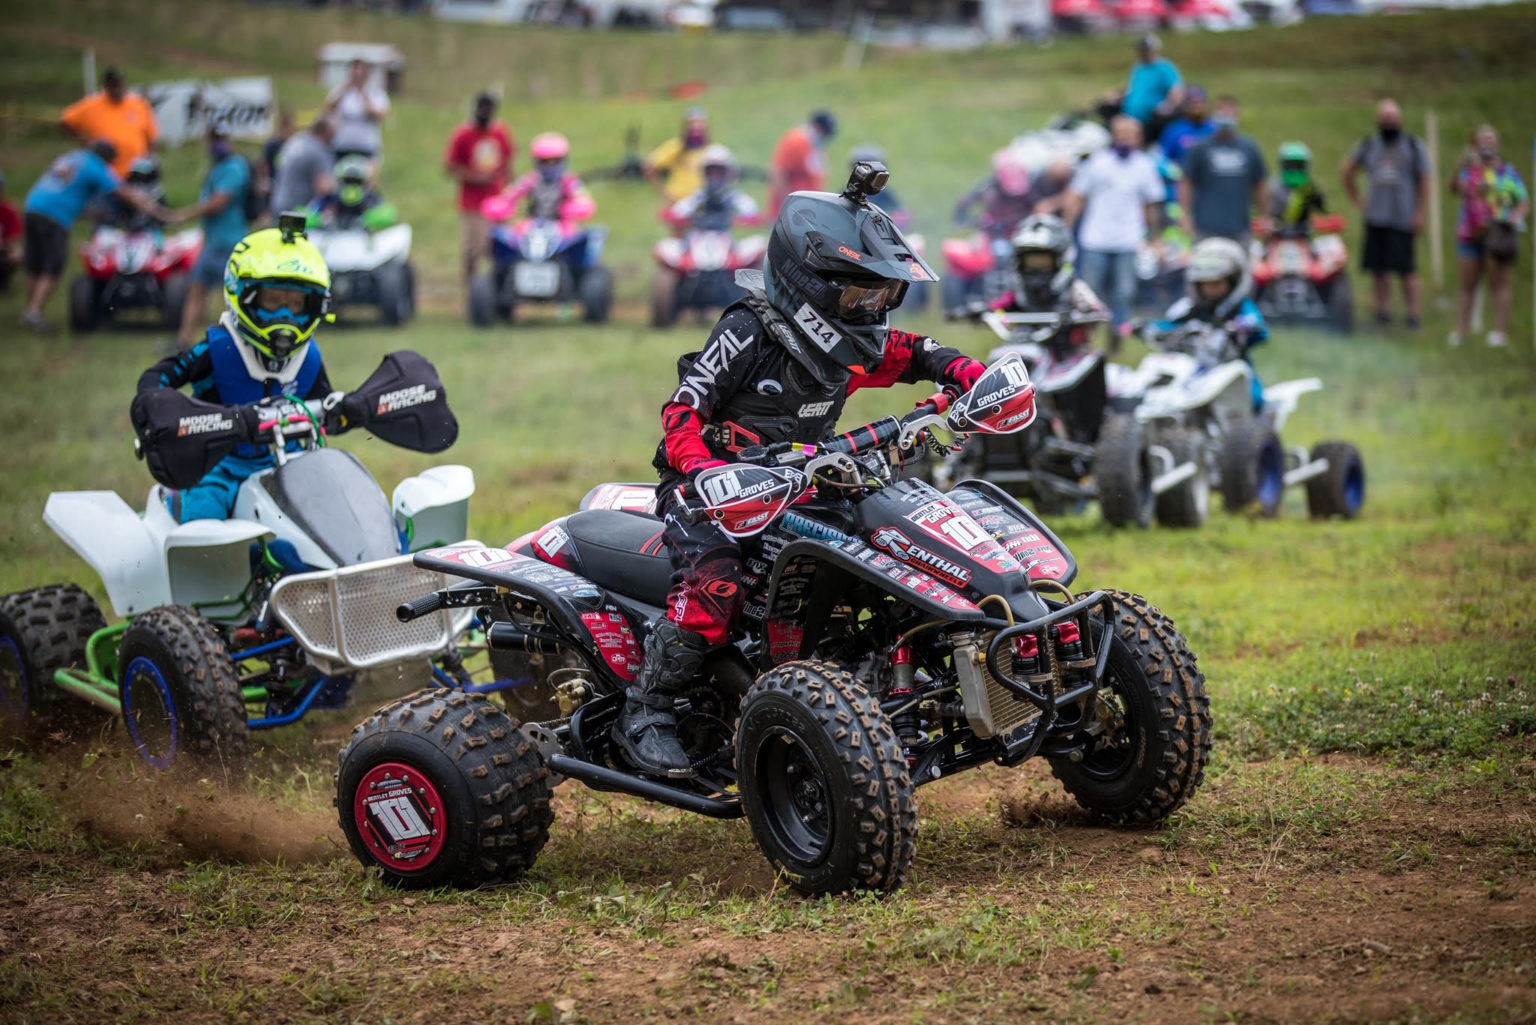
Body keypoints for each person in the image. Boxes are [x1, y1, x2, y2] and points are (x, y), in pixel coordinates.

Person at [617, 166, 985, 778]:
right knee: (719, 586)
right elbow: (682, 409)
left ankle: (885, 682)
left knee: (885, 553)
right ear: (806, 280)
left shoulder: (849, 345)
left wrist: (969, 374)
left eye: (880, 296)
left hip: (806, 482)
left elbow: (916, 353)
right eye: (858, 295)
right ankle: (648, 709)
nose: (871, 309)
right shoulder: (747, 329)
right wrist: (707, 473)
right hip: (708, 493)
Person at [136, 221, 340, 523]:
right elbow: (157, 380)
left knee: (338, 513)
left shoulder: (308, 357)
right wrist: (161, 413)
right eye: (273, 301)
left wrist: (347, 410)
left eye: (296, 304)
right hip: (217, 468)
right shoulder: (220, 349)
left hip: (292, 466)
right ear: (243, 295)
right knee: (204, 527)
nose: (284, 315)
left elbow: (328, 407)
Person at [21, 140, 166, 333]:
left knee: (36, 264)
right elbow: (124, 193)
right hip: (54, 217)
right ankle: (34, 314)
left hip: (32, 207)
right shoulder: (95, 166)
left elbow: (67, 191)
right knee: (52, 265)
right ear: (106, 158)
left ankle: (29, 310)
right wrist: (157, 211)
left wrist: (92, 214)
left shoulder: (71, 157)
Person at [1064, 116, 1164, 332]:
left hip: (1128, 239)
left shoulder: (1145, 166)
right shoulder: (1096, 163)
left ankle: (1121, 332)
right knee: (1090, 291)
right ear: (1114, 136)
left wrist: (1154, 238)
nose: (1126, 139)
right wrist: (1066, 231)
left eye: (1131, 135)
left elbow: (1151, 205)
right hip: (1096, 237)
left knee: (1124, 292)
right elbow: (1077, 198)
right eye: (1122, 134)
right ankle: (1088, 331)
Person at [1146, 237, 1269, 409]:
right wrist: (1148, 328)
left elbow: (1259, 328)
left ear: (1232, 280)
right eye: (1206, 284)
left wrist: (1242, 328)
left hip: (1233, 367)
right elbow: (1169, 324)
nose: (1210, 288)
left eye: (1216, 283)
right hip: (1201, 369)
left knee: (1254, 399)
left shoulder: (1241, 307)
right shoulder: (1192, 308)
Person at [1342, 98, 1432, 329]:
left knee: (1406, 268)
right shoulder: (1369, 145)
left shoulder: (1412, 146)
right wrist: (1358, 199)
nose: (1388, 122)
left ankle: (1413, 315)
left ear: (1400, 120)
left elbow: (1425, 180)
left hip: (1402, 216)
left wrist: (1420, 211)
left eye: (1392, 118)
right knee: (1378, 268)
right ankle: (1383, 311)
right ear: (1377, 121)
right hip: (1376, 216)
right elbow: (1347, 170)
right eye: (1384, 119)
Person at [170, 125, 252, 348]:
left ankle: (240, 343)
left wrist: (185, 214)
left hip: (231, 242)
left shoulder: (235, 167)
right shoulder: (216, 169)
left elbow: (219, 202)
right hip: (213, 242)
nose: (217, 144)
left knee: (235, 297)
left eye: (221, 138)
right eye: (213, 139)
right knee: (196, 288)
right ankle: (183, 341)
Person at [1449, 125, 1529, 348]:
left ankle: (1499, 333)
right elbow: (1453, 187)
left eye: (1491, 140)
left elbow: (1523, 202)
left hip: (1498, 236)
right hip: (1469, 234)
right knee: (1467, 286)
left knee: (1499, 285)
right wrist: (1460, 163)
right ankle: (1460, 332)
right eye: (1482, 140)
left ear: (1498, 145)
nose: (1487, 144)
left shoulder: (1508, 173)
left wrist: (1515, 216)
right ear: (1475, 145)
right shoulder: (1469, 172)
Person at [444, 91, 514, 290]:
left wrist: (510, 194)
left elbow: (508, 163)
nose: (486, 111)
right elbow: (450, 167)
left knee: (500, 249)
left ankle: (499, 290)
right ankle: (471, 292)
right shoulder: (463, 134)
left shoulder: (500, 132)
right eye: (483, 107)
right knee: (472, 251)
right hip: (472, 203)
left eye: (489, 108)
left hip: (498, 202)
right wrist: (476, 177)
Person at [1179, 96, 1267, 245]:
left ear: (1237, 115)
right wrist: (1185, 215)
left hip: (1239, 228)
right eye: (1222, 111)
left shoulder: (1249, 148)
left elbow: (1260, 184)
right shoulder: (1200, 148)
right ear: (1214, 115)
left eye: (1230, 112)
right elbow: (1187, 182)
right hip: (1205, 228)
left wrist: (1265, 215)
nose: (1226, 116)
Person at [59, 67, 159, 177]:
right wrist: (83, 142)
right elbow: (66, 120)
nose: (116, 89)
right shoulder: (93, 104)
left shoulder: (138, 104)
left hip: (137, 170)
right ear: (106, 86)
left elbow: (151, 136)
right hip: (107, 171)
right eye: (113, 85)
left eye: (119, 85)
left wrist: (150, 160)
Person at [1100, 35, 1183, 144]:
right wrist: (1116, 94)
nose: (1144, 52)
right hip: (1130, 116)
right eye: (1142, 50)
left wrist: (1168, 106)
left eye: (1147, 49)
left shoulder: (1165, 68)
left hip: (1149, 119)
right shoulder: (1138, 67)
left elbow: (1176, 90)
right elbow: (1132, 86)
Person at [495, 132, 595, 221]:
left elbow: (580, 196)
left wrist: (578, 206)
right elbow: (512, 194)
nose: (551, 166)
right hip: (533, 226)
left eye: (555, 161)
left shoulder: (567, 182)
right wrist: (501, 204)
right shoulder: (531, 180)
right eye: (546, 162)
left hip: (561, 228)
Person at [663, 145, 758, 232]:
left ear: (728, 173)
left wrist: (740, 220)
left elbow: (751, 211)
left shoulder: (733, 197)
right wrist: (675, 216)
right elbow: (680, 210)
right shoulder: (699, 196)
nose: (715, 176)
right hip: (698, 241)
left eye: (719, 171)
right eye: (710, 171)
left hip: (727, 242)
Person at [767, 110, 837, 219]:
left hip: (807, 211)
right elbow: (778, 173)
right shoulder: (796, 142)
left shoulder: (814, 144)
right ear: (817, 127)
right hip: (792, 212)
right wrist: (788, 205)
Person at [952, 146, 1034, 239]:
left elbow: (1032, 210)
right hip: (992, 229)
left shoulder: (1028, 190)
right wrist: (963, 219)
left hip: (1017, 231)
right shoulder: (987, 187)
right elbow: (965, 202)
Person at [324, 59, 390, 163]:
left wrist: (362, 93)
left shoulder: (376, 92)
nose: (358, 75)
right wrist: (345, 88)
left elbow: (379, 115)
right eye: (355, 71)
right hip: (342, 144)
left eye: (362, 72)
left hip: (366, 146)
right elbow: (329, 108)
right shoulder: (341, 90)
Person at [269, 117, 336, 217]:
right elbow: (324, 187)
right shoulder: (318, 150)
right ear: (327, 132)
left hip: (279, 203)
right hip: (300, 210)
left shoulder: (294, 141)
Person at [644, 107, 711, 204]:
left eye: (699, 123)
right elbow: (649, 166)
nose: (696, 127)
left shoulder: (711, 150)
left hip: (702, 203)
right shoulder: (676, 147)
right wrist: (663, 193)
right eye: (692, 123)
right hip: (677, 201)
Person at [309, 155, 391, 229]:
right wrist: (322, 219)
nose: (351, 185)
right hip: (334, 238)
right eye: (347, 181)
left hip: (361, 239)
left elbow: (388, 214)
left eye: (356, 181)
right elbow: (309, 212)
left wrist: (366, 219)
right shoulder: (331, 197)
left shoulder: (369, 198)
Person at [1269, 142, 1328, 235]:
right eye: (1291, 165)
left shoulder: (1310, 189)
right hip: (1275, 237)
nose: (1294, 169)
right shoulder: (1272, 187)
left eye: (1298, 166)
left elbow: (1322, 211)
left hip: (1302, 236)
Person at [257, 107, 296, 225]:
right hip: (273, 181)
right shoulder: (273, 144)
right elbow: (264, 163)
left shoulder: (294, 144)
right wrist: (262, 180)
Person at [1158, 85, 1214, 167]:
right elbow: (1164, 160)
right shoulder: (1174, 130)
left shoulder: (1215, 130)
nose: (1197, 106)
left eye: (1200, 102)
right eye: (1193, 103)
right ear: (1185, 105)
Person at [0, 172, 21, 294]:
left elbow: (14, 237)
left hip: (3, 250)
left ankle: (4, 281)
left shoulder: (8, 210)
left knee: (17, 254)